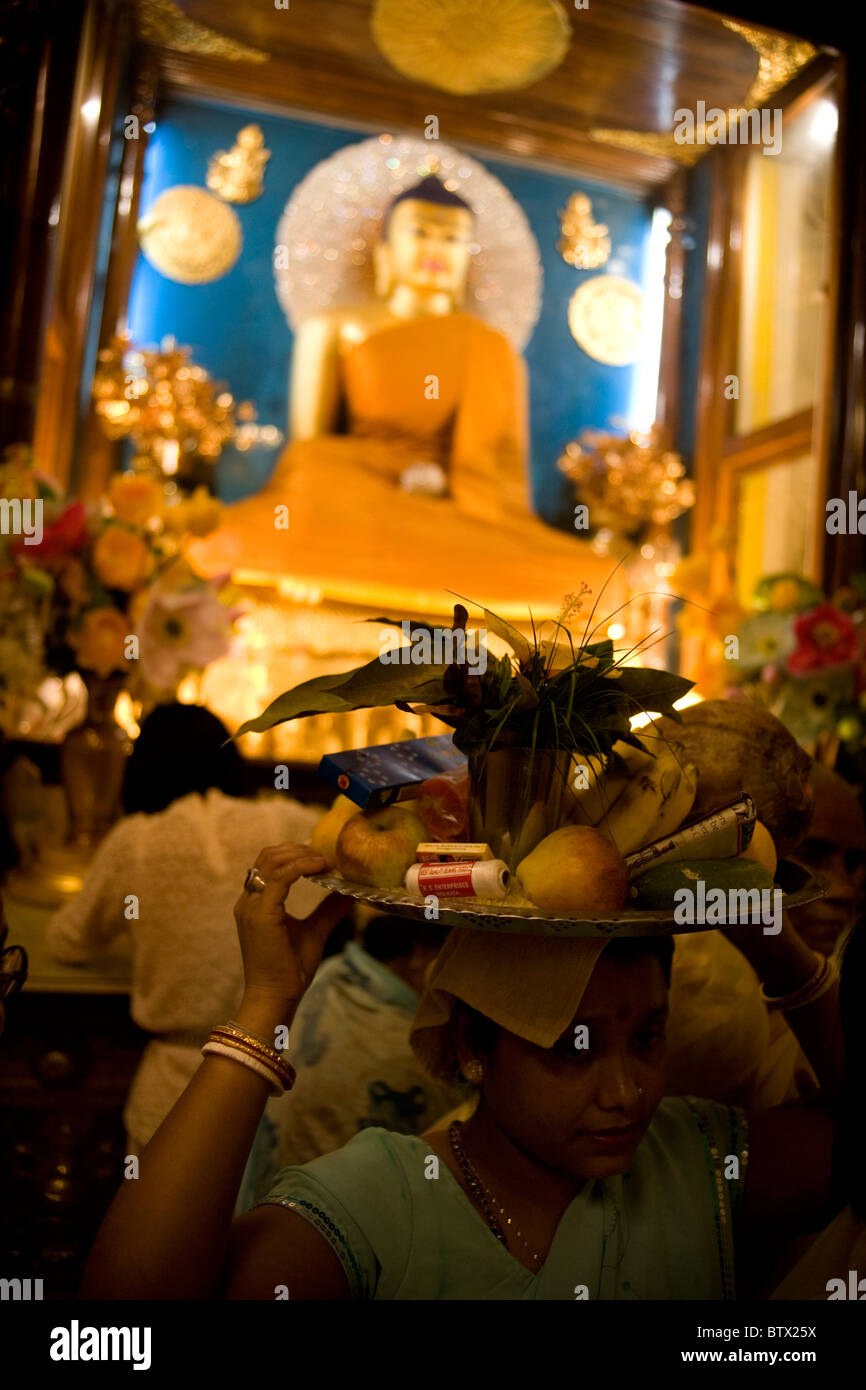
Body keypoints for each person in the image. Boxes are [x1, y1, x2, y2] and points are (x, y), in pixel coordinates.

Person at [80, 839, 842, 1301]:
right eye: (571, 1046)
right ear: (474, 1047)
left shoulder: (692, 1156)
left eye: (647, 1038)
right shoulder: (386, 1199)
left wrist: (783, 953)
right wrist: (265, 1004)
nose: (626, 1093)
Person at [45, 705, 322, 1158]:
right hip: (285, 1089)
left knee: (155, 1227)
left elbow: (68, 940)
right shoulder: (285, 822)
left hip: (173, 1095)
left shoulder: (134, 840)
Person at [237, 914, 468, 1211]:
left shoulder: (330, 973)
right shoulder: (411, 1052)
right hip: (320, 1216)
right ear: (422, 954)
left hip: (264, 1196)